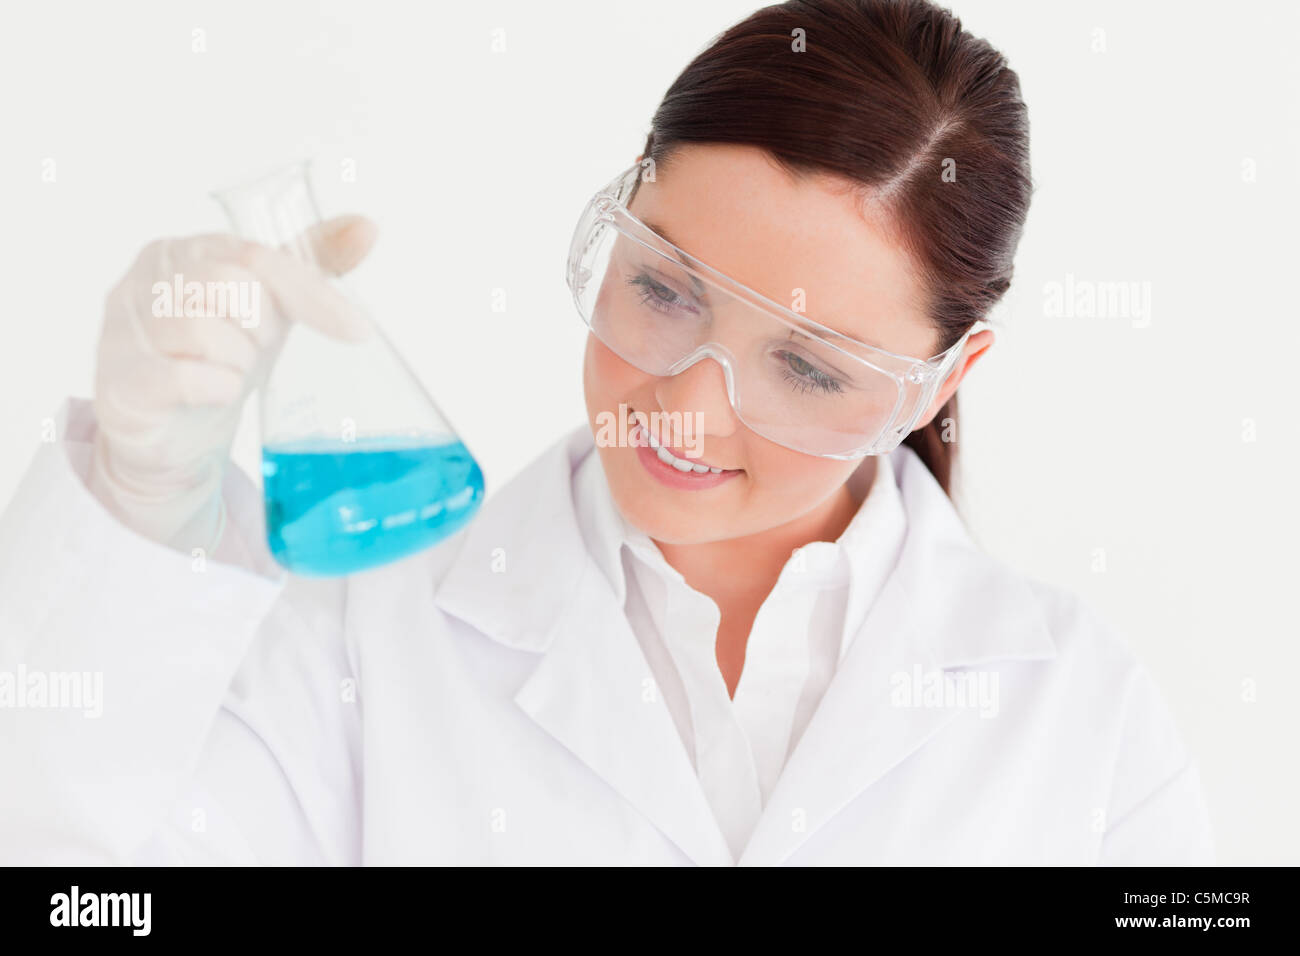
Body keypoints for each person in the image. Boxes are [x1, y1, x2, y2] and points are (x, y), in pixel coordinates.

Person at [0, 0, 1213, 865]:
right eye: (664, 291)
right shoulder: (366, 629)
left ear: (939, 383)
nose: (681, 409)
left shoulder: (1078, 709)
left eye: (803, 364)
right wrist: (139, 494)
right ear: (620, 216)